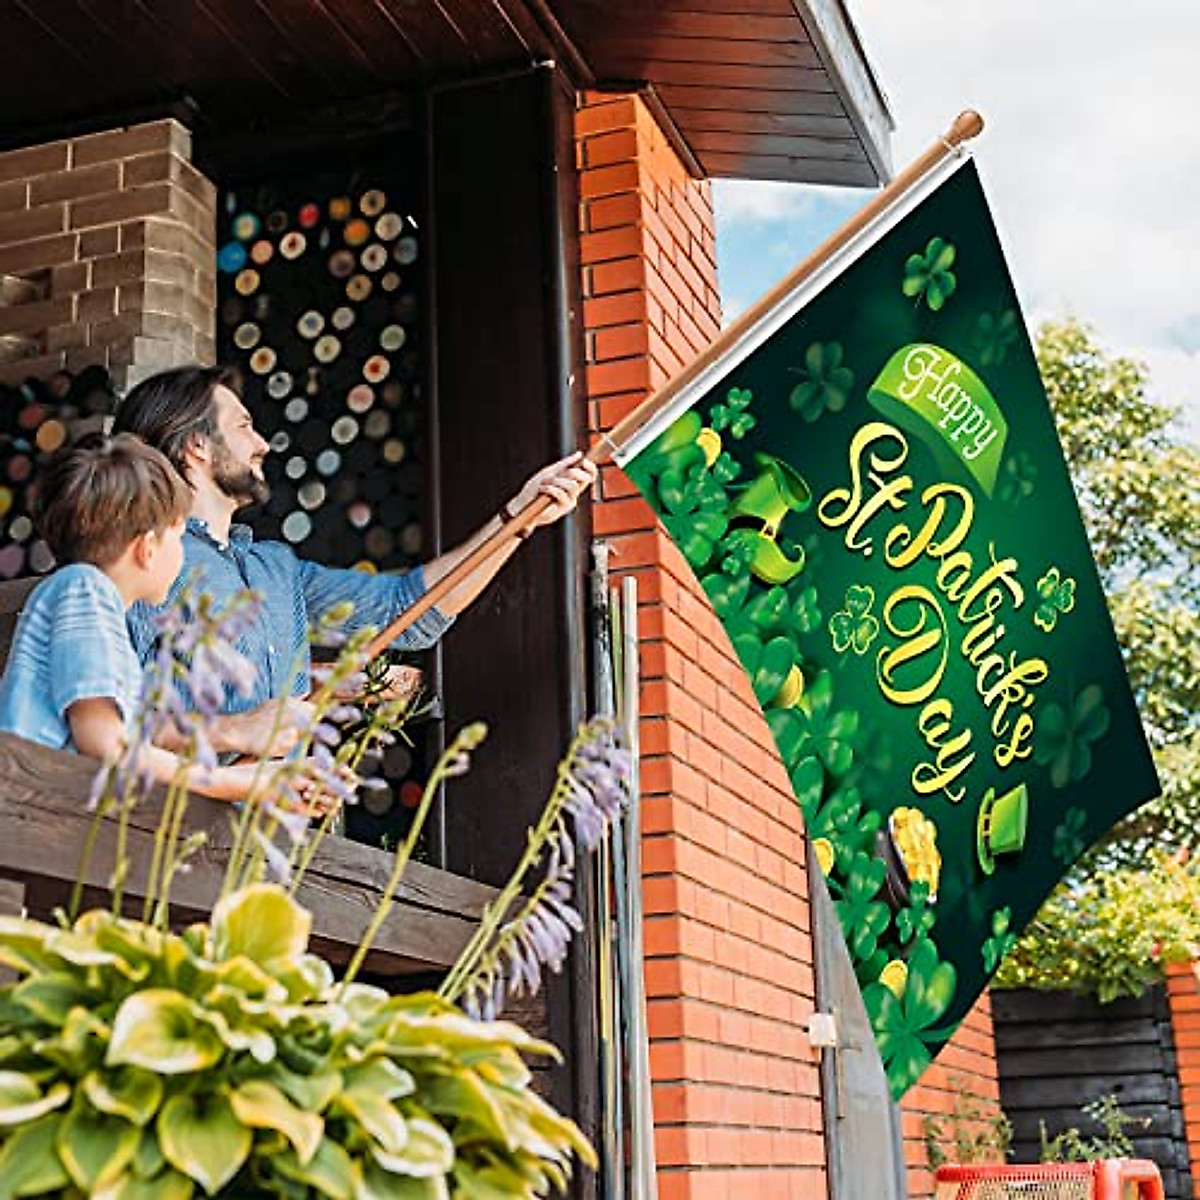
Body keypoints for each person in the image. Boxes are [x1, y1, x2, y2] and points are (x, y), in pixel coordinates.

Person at [114, 366, 597, 750]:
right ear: (197, 446)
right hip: (165, 843)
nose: (262, 444)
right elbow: (110, 718)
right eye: (244, 426)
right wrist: (235, 729)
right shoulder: (141, 558)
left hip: (271, 840)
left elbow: (411, 611)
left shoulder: (277, 569)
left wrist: (518, 518)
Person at [0, 433, 305, 806]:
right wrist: (233, 783)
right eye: (178, 538)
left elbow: (134, 731)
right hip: (31, 821)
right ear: (147, 548)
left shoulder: (94, 603)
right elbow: (106, 743)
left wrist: (237, 736)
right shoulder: (84, 590)